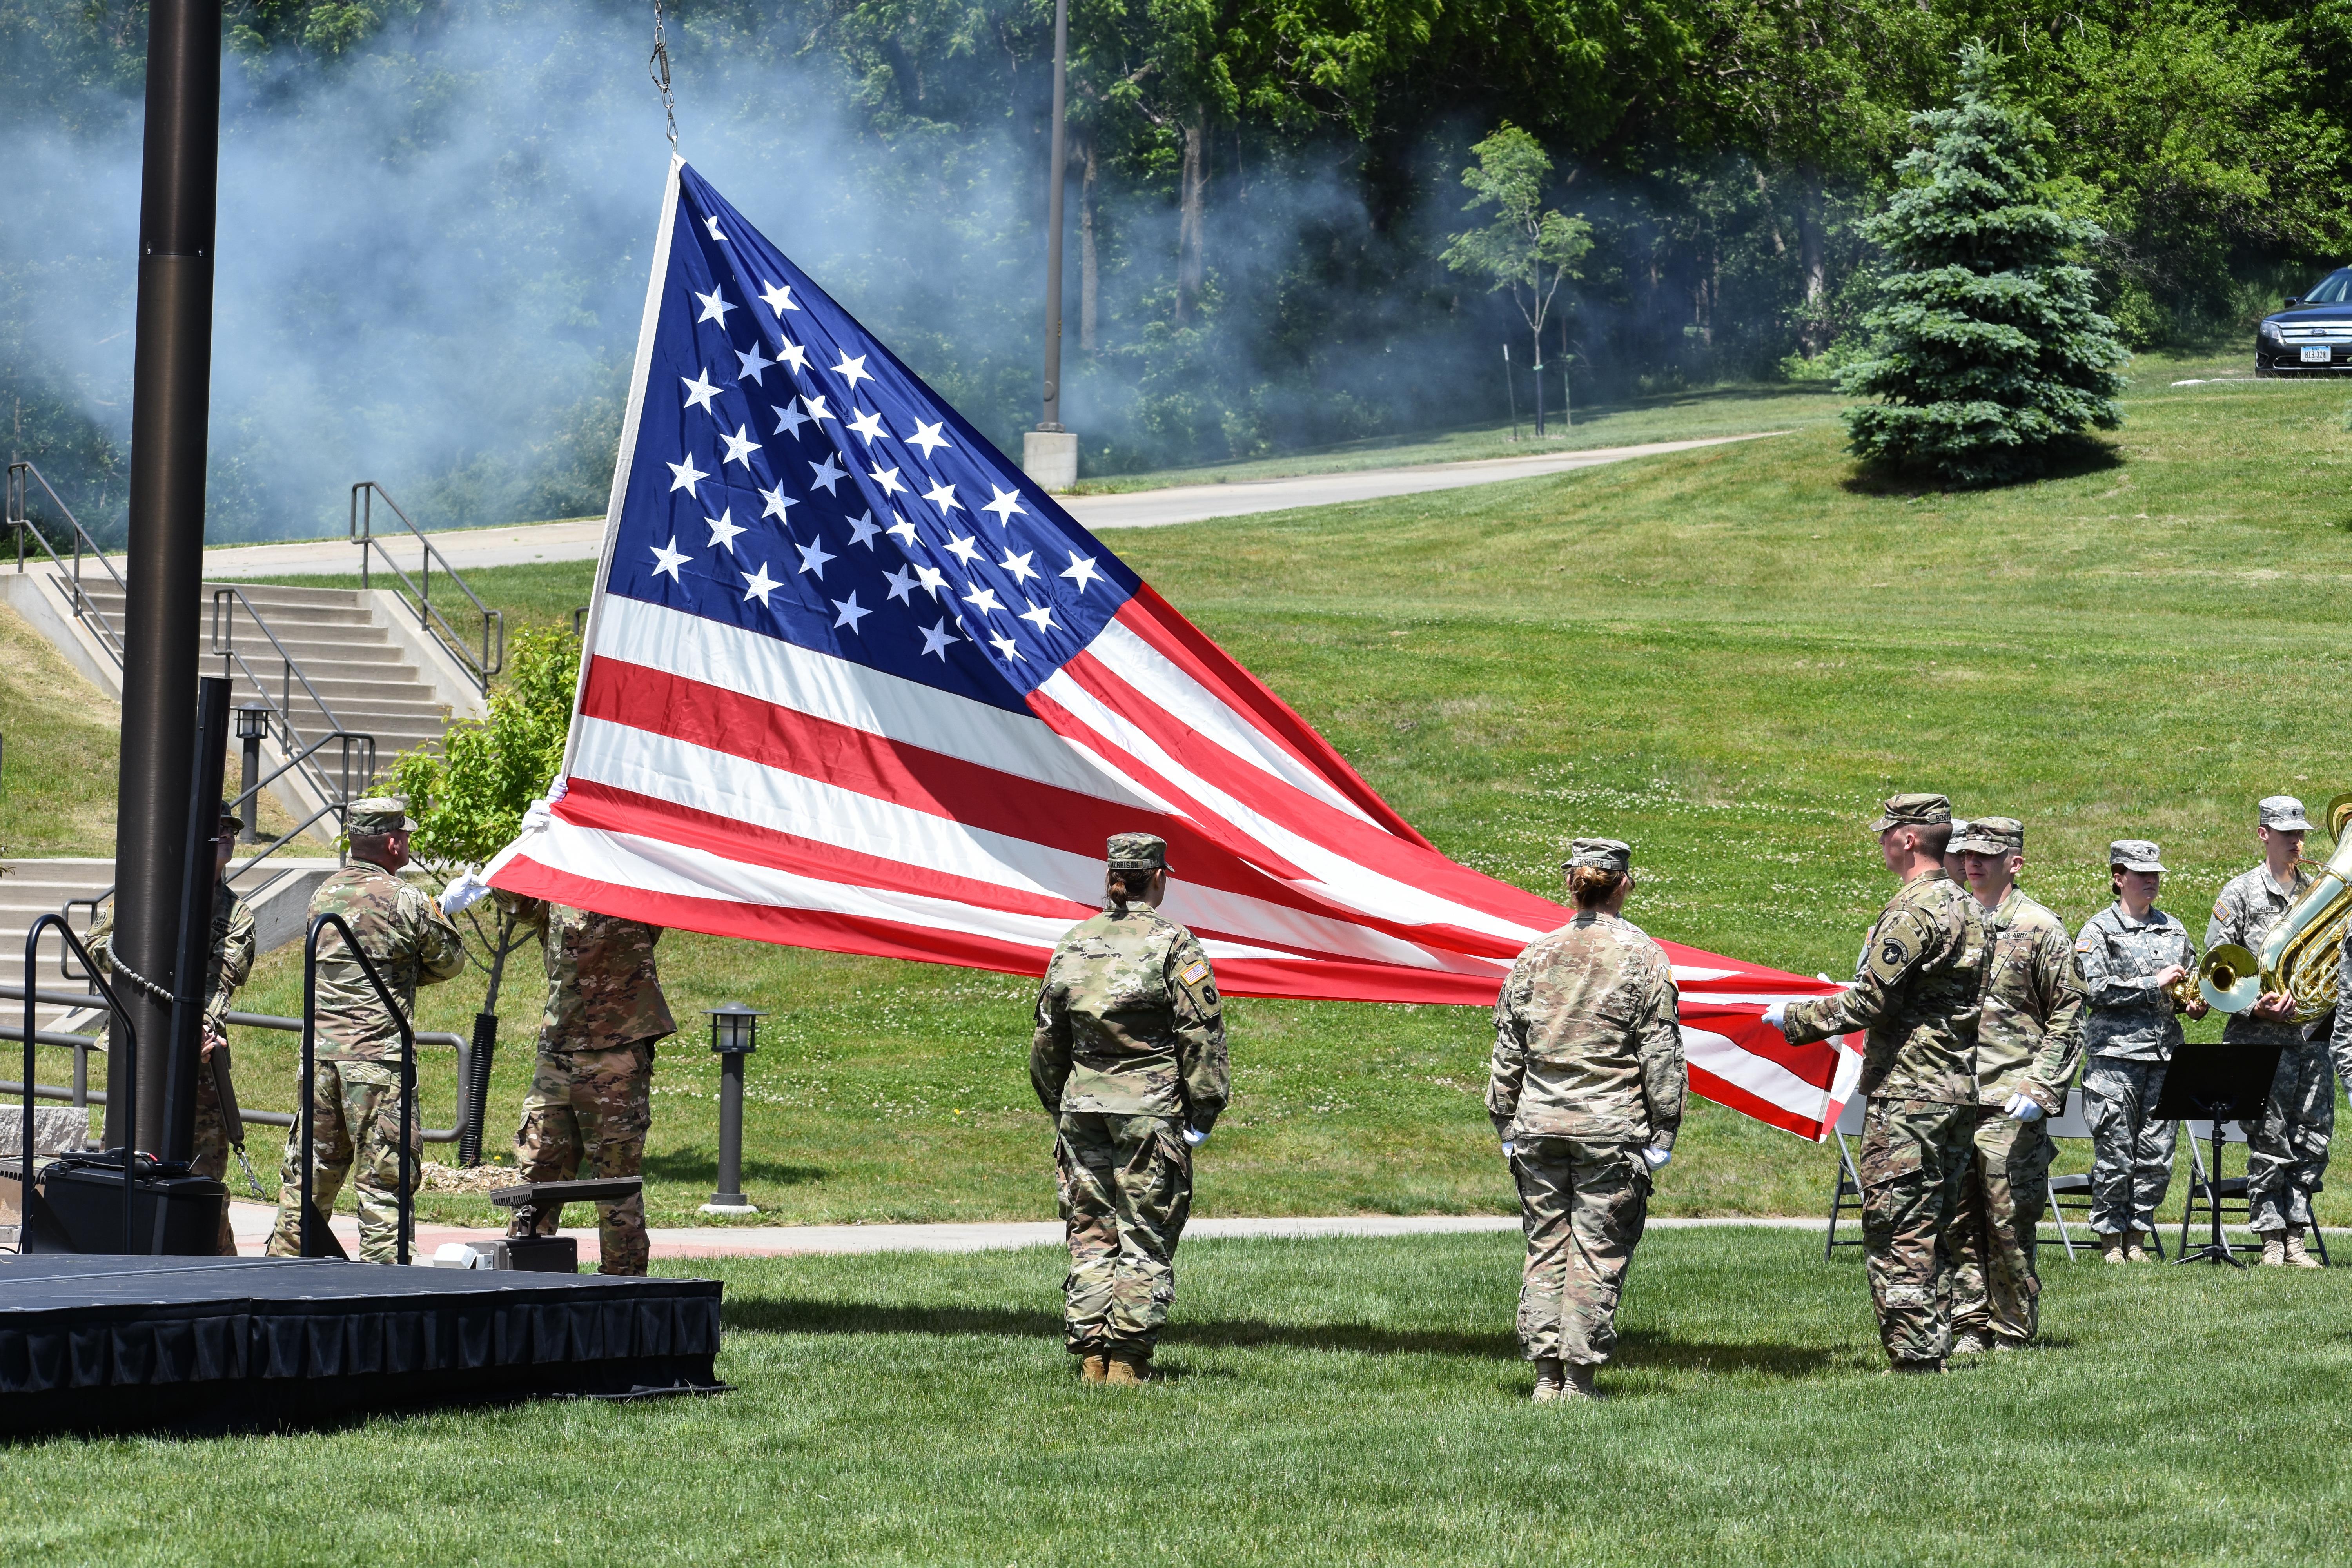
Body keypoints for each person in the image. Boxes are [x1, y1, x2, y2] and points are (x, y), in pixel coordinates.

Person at [1765, 793, 1985, 1373]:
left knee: (1899, 1224)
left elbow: (1873, 999)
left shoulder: (1915, 911)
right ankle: (1932, 1346)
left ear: (1909, 839)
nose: (1880, 842)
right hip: (1956, 1089)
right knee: (1934, 1221)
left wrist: (1794, 1019)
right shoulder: (1969, 907)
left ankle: (1914, 1360)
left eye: (1886, 833)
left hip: (1911, 1092)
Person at [1487, 837, 1683, 1403]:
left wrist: (1505, 1120)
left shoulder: (1535, 955)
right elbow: (1661, 1054)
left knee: (1546, 1246)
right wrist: (1666, 1128)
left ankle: (1545, 1379)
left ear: (1571, 885)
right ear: (1624, 883)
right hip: (1609, 1128)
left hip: (1539, 1125)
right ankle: (1578, 1380)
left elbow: (1508, 1051)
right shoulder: (1644, 957)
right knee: (1596, 1251)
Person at [1030, 833, 1229, 1387]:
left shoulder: (1073, 942)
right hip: (1149, 1112)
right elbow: (1201, 1034)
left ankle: (1091, 1357)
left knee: (1090, 1231)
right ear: (1159, 877)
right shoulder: (1175, 944)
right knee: (1145, 1232)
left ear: (1112, 877)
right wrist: (1204, 1108)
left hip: (1081, 1109)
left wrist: (1060, 1102)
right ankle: (1128, 1360)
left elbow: (1049, 1038)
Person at [265, 798, 466, 1262]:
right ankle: (383, 1298)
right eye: (407, 836)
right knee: (385, 1188)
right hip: (377, 1065)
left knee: (307, 1182)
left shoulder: (323, 895)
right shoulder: (406, 899)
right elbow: (450, 960)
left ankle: (276, 1278)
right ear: (393, 841)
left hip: (320, 1064)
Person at [88, 802, 257, 1256]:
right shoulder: (145, 892)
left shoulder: (236, 913)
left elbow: (220, 981)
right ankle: (119, 1257)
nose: (226, 835)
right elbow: (95, 944)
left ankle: (217, 1268)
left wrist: (196, 1034)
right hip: (139, 1049)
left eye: (231, 829)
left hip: (199, 1063)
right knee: (127, 1161)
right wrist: (146, 950)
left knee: (203, 1175)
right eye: (216, 828)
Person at [1945, 817, 2083, 1352]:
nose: (1972, 862)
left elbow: (2069, 1018)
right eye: (1968, 853)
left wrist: (2041, 1088)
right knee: (1958, 1221)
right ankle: (1968, 1325)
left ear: (2015, 863)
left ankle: (2011, 1328)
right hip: (1956, 1097)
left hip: (2012, 1099)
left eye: (1987, 854)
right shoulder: (1950, 924)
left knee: (2007, 1221)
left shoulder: (2040, 927)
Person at [503, 899, 675, 1276]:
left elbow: (661, 909)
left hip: (616, 1049)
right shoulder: (550, 882)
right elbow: (516, 902)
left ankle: (623, 1291)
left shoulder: (630, 879)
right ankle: (524, 1283)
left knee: (615, 1184)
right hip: (558, 1051)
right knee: (535, 1175)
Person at [2208, 796, 2327, 1267]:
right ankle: (2272, 1239)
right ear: (2263, 835)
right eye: (2286, 834)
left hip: (2309, 1039)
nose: (2297, 842)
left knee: (2313, 1140)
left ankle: (2296, 1233)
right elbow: (2217, 969)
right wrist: (2258, 1006)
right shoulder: (2238, 893)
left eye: (2300, 833)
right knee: (2270, 1141)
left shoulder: (2320, 891)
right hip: (2257, 1042)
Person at [2076, 839, 2202, 1264]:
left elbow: (2189, 986)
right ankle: (2111, 1239)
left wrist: (2195, 1002)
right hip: (2115, 1060)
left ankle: (2138, 1236)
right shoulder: (2098, 931)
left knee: (2157, 1155)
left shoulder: (2174, 929)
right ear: (2118, 878)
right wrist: (2154, 982)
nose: (2151, 881)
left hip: (2164, 1058)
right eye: (2142, 874)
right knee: (2115, 1153)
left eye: (2156, 875)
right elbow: (2094, 990)